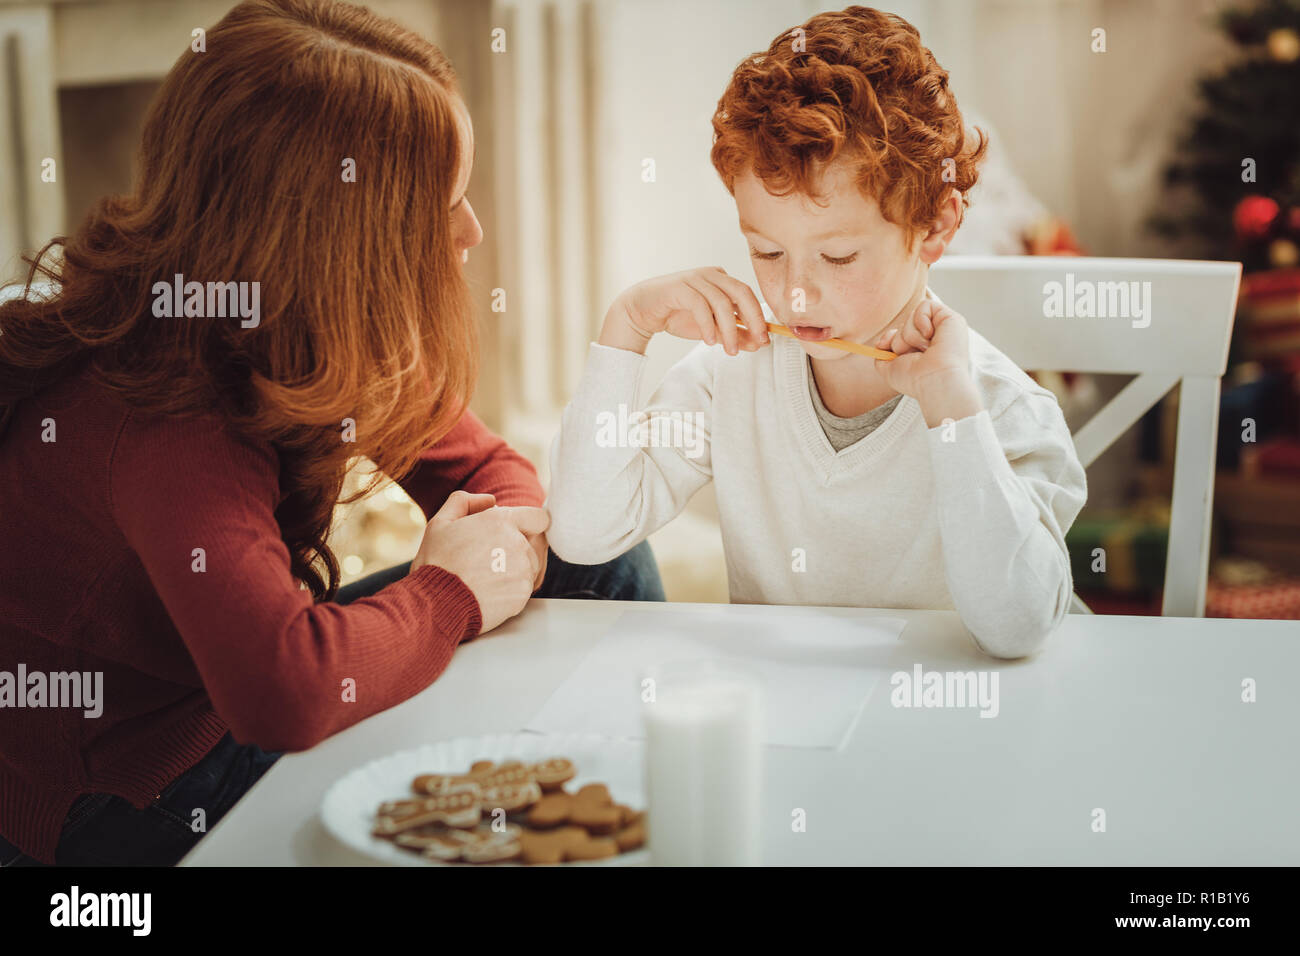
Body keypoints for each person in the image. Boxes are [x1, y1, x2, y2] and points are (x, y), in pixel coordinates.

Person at [0, 0, 661, 867]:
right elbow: (282, 694)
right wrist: (447, 598)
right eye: (444, 205)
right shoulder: (170, 420)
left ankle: (600, 798)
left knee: (597, 552)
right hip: (128, 800)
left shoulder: (304, 323)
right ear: (338, 238)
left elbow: (492, 468)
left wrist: (495, 547)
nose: (472, 232)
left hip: (229, 697)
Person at [547, 6, 1086, 659]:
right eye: (767, 253)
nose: (794, 291)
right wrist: (625, 330)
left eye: (838, 258)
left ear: (937, 227)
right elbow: (582, 534)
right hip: (782, 736)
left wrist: (951, 415)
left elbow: (1018, 626)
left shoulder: (1000, 410)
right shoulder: (729, 377)